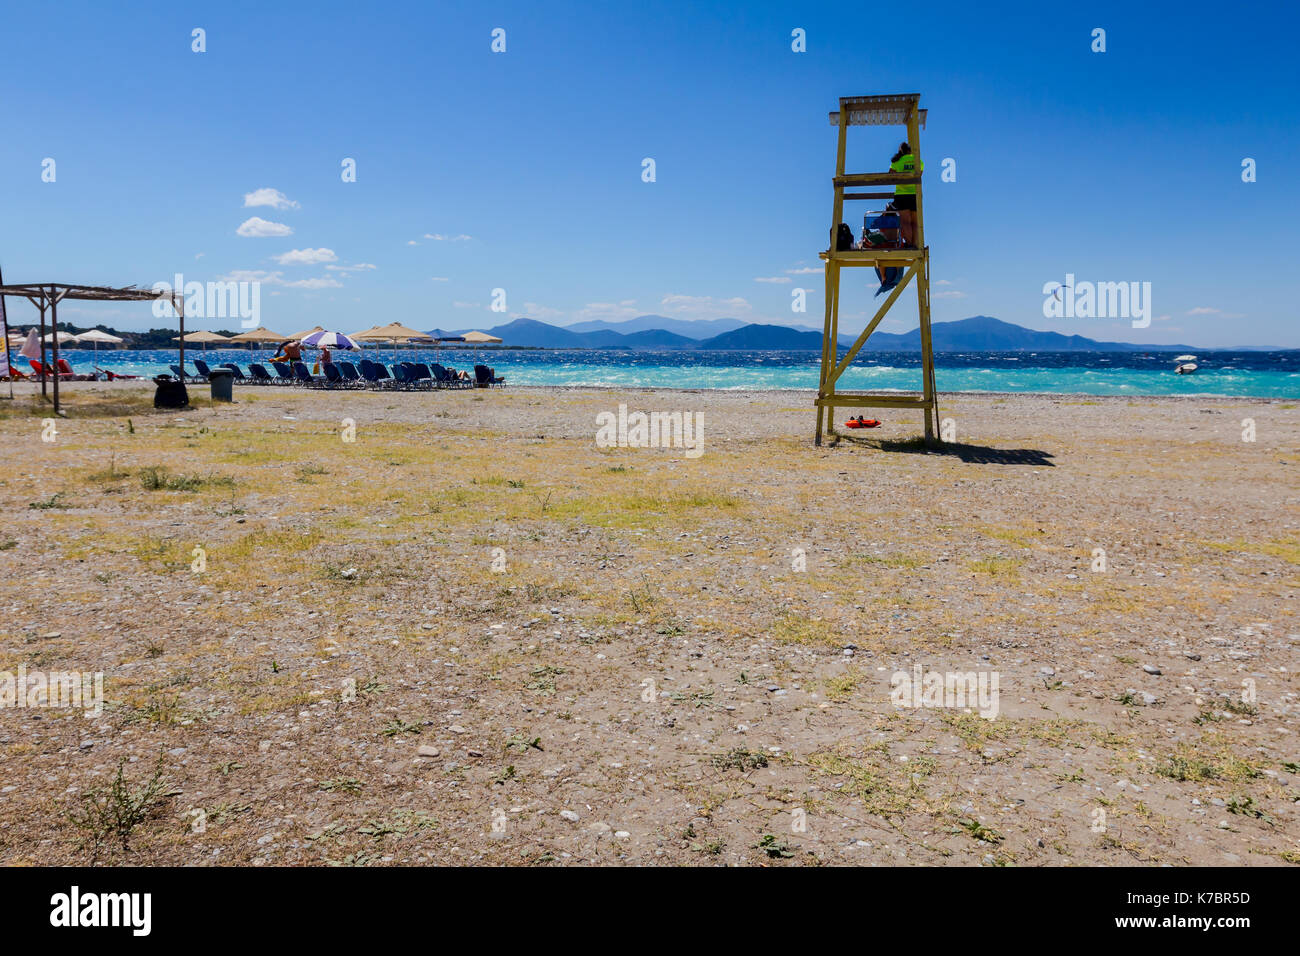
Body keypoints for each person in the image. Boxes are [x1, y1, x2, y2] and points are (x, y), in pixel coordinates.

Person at [889, 141, 923, 247]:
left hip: (901, 194)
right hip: (914, 194)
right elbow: (920, 174)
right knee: (915, 222)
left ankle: (909, 244)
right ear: (910, 150)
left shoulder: (897, 161)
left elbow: (891, 175)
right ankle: (915, 244)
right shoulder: (918, 161)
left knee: (905, 222)